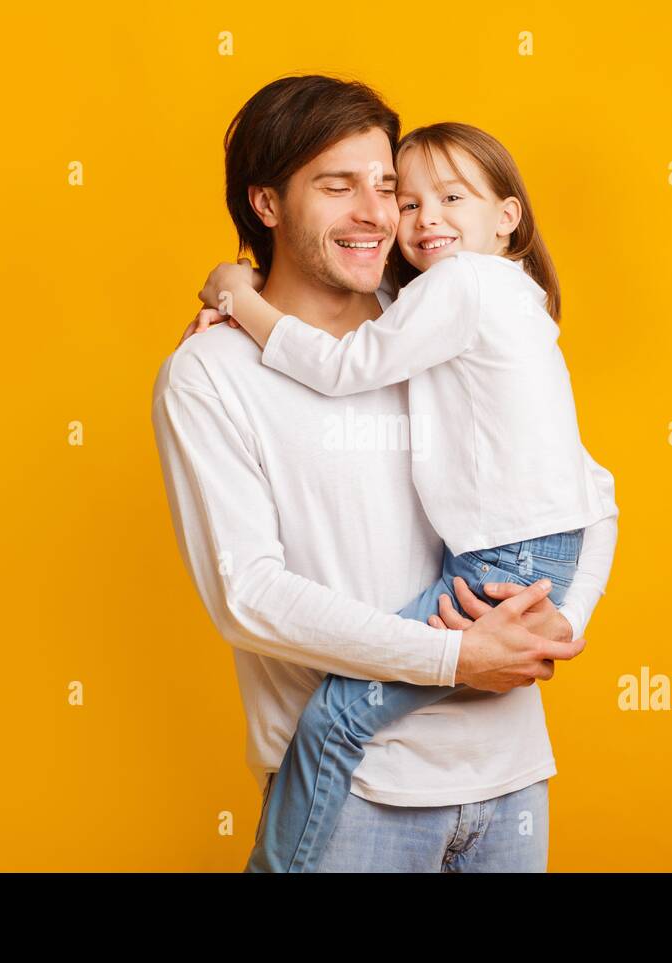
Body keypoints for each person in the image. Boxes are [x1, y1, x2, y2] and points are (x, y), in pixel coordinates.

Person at [153, 75, 618, 873]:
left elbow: (590, 491)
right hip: (358, 794)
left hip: (510, 781)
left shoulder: (437, 320)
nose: (377, 213)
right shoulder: (210, 373)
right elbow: (250, 596)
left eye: (387, 187)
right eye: (339, 187)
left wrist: (560, 617)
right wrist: (455, 657)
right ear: (266, 204)